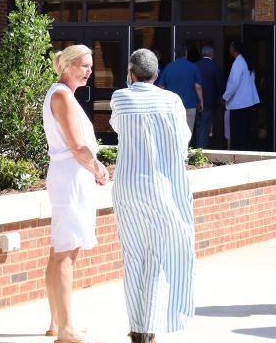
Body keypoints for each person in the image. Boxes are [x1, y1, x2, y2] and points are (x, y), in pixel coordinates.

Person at [110, 48, 196, 343]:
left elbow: (116, 126)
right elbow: (183, 140)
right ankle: (148, 329)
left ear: (131, 74)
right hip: (162, 187)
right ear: (157, 75)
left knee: (132, 256)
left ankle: (137, 329)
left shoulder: (120, 97)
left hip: (128, 187)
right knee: (159, 257)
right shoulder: (172, 101)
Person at [43, 45, 110, 343]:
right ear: (68, 66)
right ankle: (66, 328)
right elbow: (77, 146)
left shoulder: (61, 94)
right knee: (66, 252)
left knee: (59, 251)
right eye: (84, 65)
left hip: (69, 176)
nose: (89, 71)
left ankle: (57, 321)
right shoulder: (62, 96)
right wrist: (98, 168)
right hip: (70, 178)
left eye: (91, 66)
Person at [155, 43, 203, 136]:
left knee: (173, 132)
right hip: (189, 104)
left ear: (175, 54)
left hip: (172, 106)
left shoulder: (168, 67)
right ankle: (185, 146)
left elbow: (161, 87)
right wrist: (201, 101)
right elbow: (198, 86)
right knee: (187, 133)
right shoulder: (193, 67)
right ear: (186, 53)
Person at [223, 40, 259, 150]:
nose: (229, 49)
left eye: (230, 47)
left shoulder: (238, 62)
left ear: (235, 49)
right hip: (248, 102)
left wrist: (225, 97)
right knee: (245, 132)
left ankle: (237, 154)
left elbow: (234, 83)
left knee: (237, 134)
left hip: (239, 104)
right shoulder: (246, 61)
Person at [195, 44, 225, 148]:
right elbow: (220, 85)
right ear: (212, 54)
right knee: (205, 126)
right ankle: (201, 150)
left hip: (196, 101)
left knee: (198, 126)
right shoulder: (215, 67)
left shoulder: (195, 66)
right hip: (210, 101)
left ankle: (198, 147)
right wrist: (222, 97)